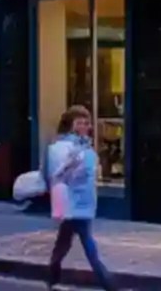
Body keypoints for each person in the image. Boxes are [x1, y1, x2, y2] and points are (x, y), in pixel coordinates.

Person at [45, 106, 118, 291]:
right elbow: (58, 174)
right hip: (73, 202)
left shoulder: (84, 145)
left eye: (86, 123)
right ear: (70, 125)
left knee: (62, 245)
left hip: (82, 202)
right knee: (88, 246)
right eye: (79, 123)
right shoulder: (67, 147)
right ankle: (109, 285)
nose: (84, 126)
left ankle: (52, 279)